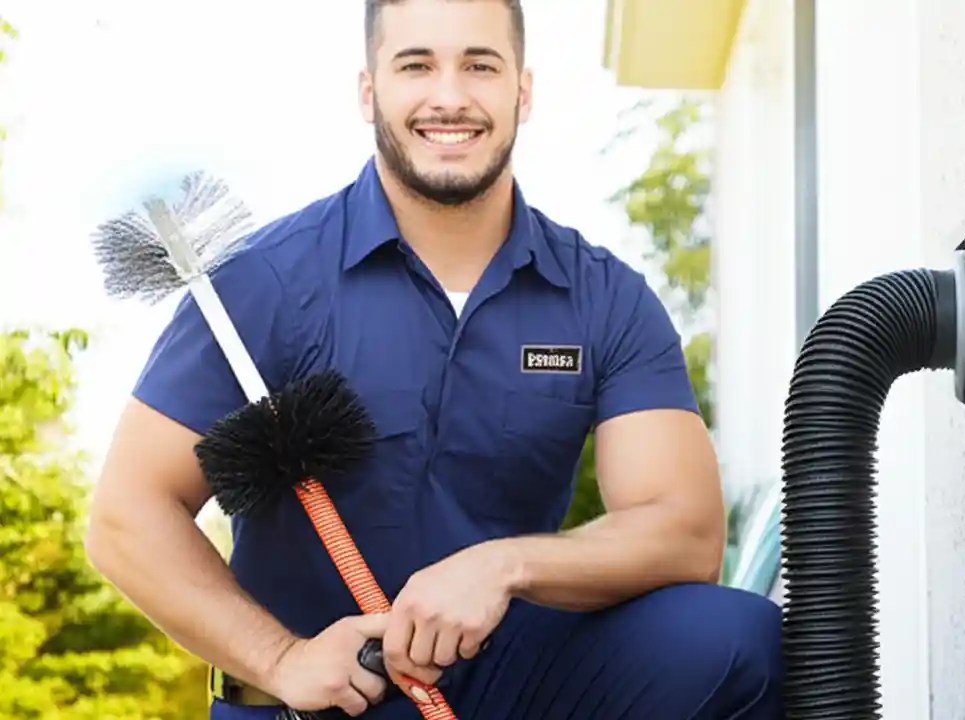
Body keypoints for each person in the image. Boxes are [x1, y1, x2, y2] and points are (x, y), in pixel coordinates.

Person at [84, 0, 784, 718]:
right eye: (416, 65)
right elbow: (127, 515)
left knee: (732, 639)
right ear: (369, 91)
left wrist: (506, 566)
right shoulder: (262, 284)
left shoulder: (604, 297)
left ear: (524, 90)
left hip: (513, 683)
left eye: (480, 65)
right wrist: (281, 658)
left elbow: (685, 531)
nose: (449, 97)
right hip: (317, 698)